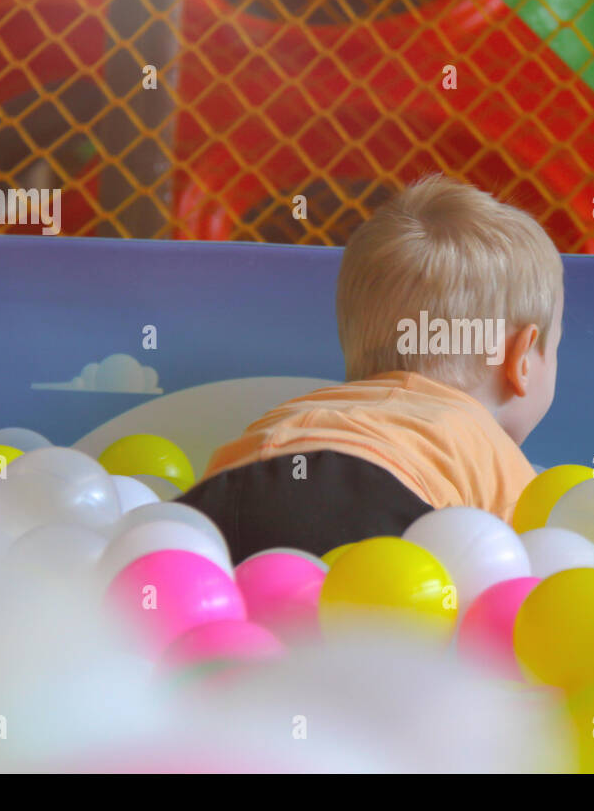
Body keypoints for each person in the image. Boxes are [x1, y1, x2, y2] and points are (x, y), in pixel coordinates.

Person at [178, 173, 564, 562]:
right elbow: (519, 567)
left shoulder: (315, 410)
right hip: (375, 497)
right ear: (521, 360)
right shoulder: (485, 446)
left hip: (217, 500)